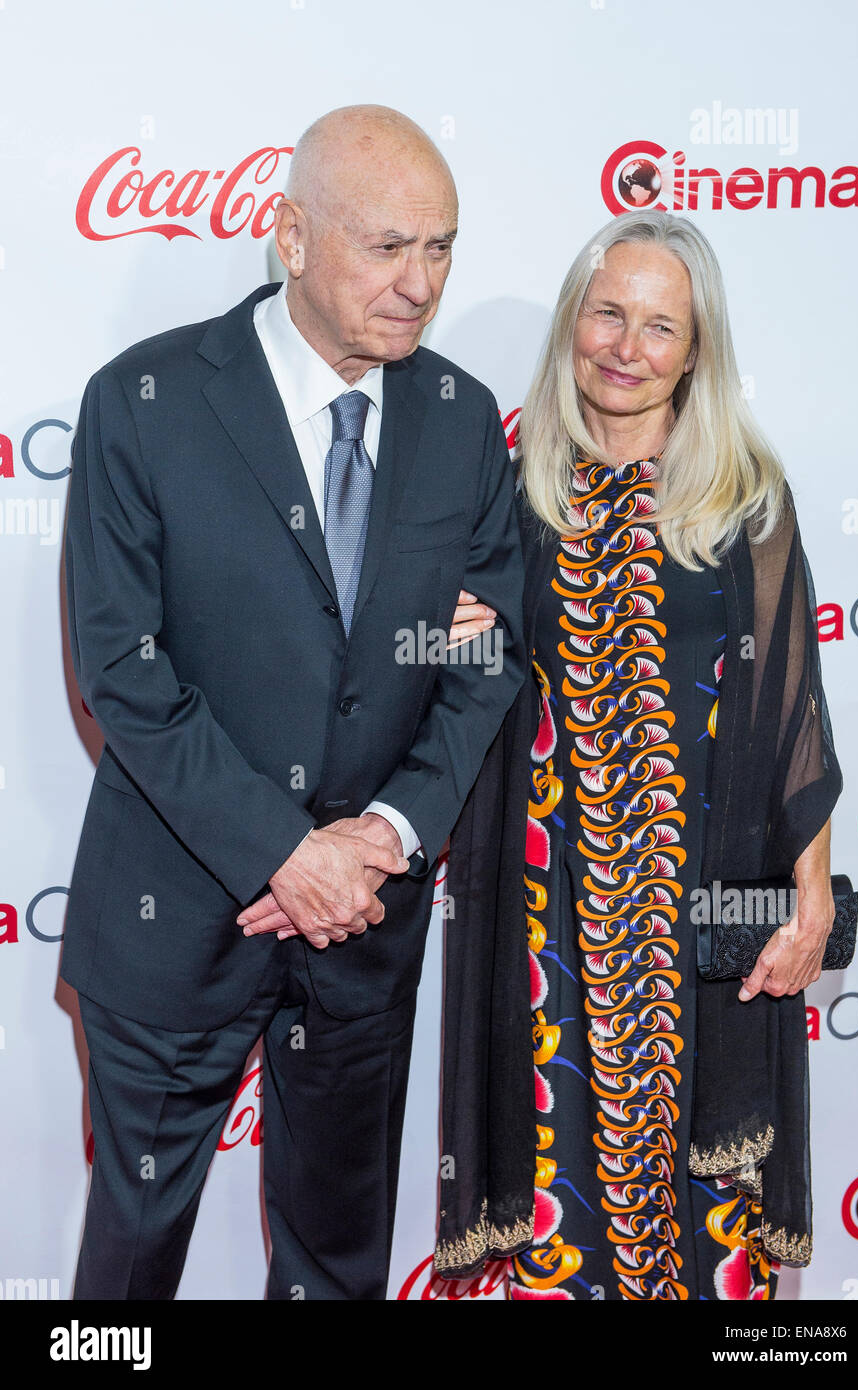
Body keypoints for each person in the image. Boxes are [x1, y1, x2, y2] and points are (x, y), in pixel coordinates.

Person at [61, 104, 525, 1301]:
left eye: (442, 247)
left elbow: (485, 658)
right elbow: (124, 670)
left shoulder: (464, 419)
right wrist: (283, 852)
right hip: (176, 917)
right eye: (387, 247)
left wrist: (382, 837)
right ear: (292, 237)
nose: (419, 284)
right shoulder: (144, 400)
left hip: (365, 925)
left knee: (338, 1264)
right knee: (125, 1265)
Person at [435, 210, 843, 1301]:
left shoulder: (746, 499)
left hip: (705, 906)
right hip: (550, 905)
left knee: (708, 1202)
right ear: (575, 320)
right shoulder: (513, 497)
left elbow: (794, 707)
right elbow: (471, 678)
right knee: (557, 1167)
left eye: (660, 325)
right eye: (607, 311)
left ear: (698, 350)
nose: (626, 344)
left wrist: (809, 900)